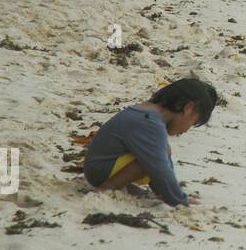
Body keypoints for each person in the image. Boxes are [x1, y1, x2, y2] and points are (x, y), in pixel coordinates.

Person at [83, 78, 217, 207]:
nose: (187, 130)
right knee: (153, 159)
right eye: (193, 122)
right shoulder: (150, 122)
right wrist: (178, 200)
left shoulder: (147, 113)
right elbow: (160, 168)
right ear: (188, 108)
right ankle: (107, 188)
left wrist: (166, 192)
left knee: (161, 151)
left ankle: (159, 192)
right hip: (100, 170)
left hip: (101, 166)